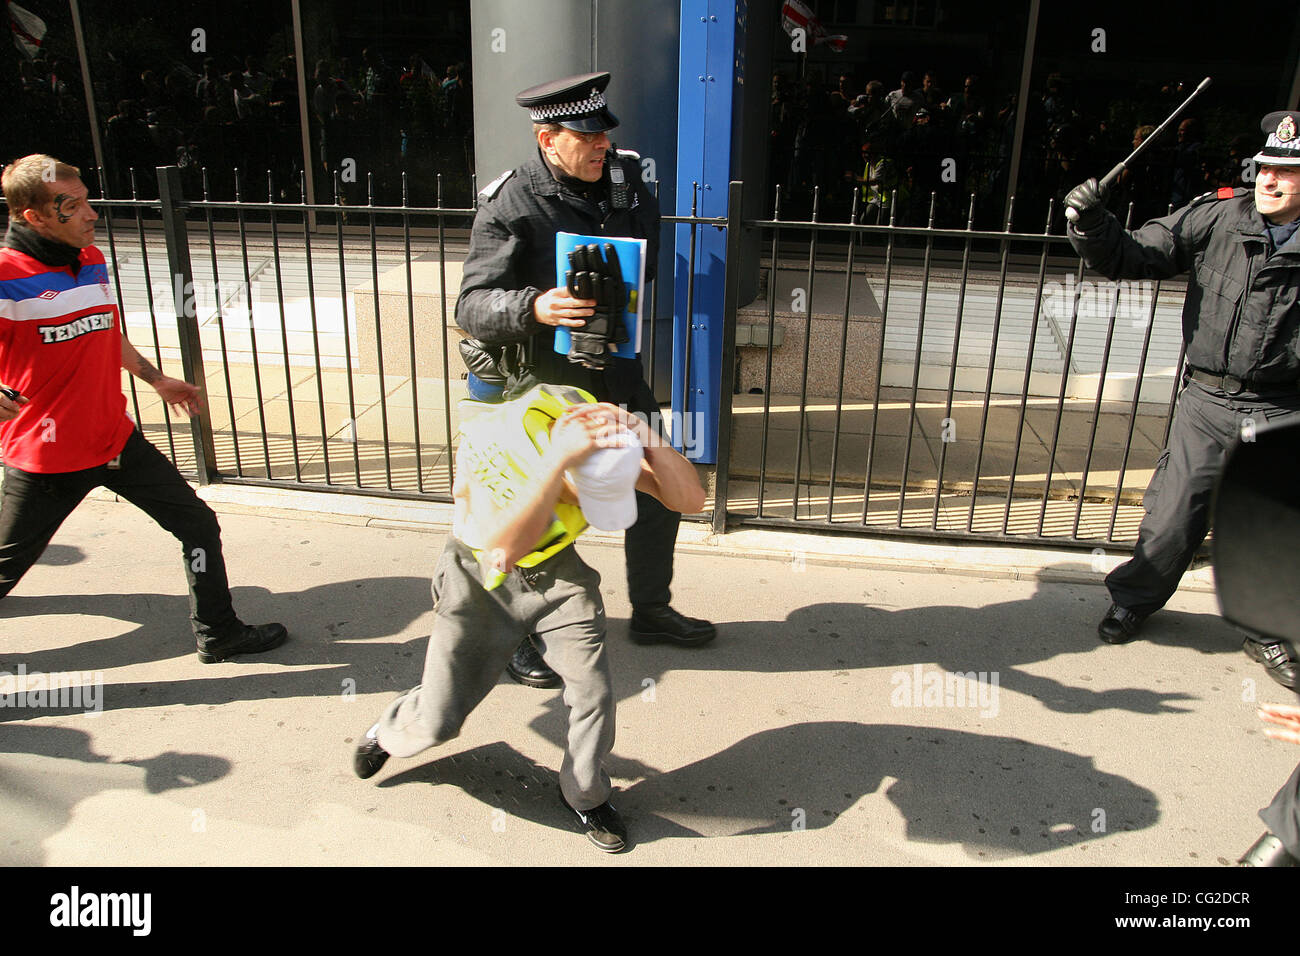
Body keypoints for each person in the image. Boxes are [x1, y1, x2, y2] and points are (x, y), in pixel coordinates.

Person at [352, 384, 706, 852]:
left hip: (557, 573)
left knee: (593, 692)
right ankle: (395, 726)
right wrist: (555, 464)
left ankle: (586, 794)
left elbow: (690, 500)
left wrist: (647, 436)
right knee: (440, 719)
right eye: (595, 494)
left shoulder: (596, 442)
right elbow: (507, 549)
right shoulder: (495, 444)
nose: (597, 510)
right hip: (481, 575)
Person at [454, 72, 717, 691]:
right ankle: (520, 633)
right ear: (548, 139)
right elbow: (471, 305)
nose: (602, 145)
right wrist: (536, 307)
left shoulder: (626, 183)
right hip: (543, 386)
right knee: (539, 508)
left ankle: (651, 610)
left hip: (617, 369)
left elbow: (646, 260)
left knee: (658, 492)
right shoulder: (511, 201)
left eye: (604, 135)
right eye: (586, 136)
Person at [0, 154, 286, 663]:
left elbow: (105, 331)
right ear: (34, 217)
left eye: (87, 200)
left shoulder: (89, 258)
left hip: (115, 441)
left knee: (198, 525)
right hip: (47, 459)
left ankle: (218, 634)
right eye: (73, 206)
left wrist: (156, 379)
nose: (91, 214)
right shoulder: (5, 275)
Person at [1063, 111, 1300, 689]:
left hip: (1284, 407)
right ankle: (1134, 600)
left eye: (1288, 172)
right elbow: (1131, 255)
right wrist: (1092, 224)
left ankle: (1267, 630)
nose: (1269, 180)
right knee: (1172, 518)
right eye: (1266, 167)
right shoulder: (1220, 216)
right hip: (1209, 401)